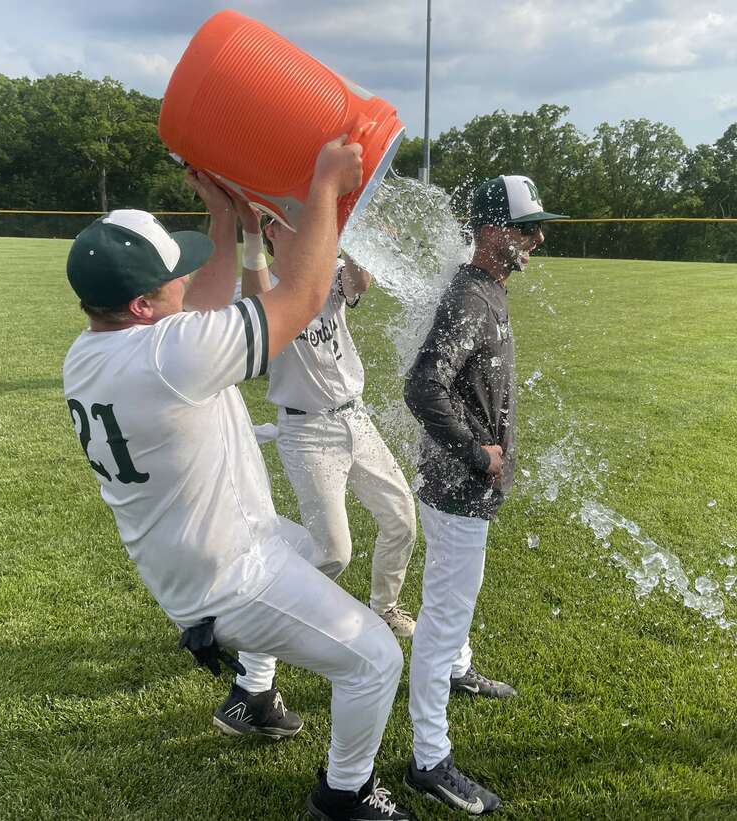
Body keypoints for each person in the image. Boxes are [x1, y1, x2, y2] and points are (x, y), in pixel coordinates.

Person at [62, 137, 413, 821]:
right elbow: (306, 293)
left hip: (205, 551)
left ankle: (251, 695)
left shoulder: (93, 350)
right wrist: (320, 188)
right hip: (229, 572)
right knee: (374, 659)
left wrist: (230, 225)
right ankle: (345, 794)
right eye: (173, 278)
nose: (187, 283)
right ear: (142, 306)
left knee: (322, 552)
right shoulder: (169, 353)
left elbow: (199, 303)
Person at [402, 175, 567, 813]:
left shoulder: (486, 289)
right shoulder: (472, 297)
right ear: (496, 231)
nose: (538, 238)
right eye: (528, 228)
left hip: (461, 487)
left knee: (454, 608)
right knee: (441, 620)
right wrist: (479, 453)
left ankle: (456, 668)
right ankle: (428, 759)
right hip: (457, 486)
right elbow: (423, 386)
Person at [236, 212, 417, 638]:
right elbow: (259, 313)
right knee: (333, 552)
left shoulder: (326, 273)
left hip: (355, 417)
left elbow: (359, 284)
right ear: (272, 231)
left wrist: (353, 236)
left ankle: (385, 608)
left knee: (401, 518)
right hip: (308, 433)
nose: (308, 231)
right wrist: (247, 233)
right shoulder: (260, 284)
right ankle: (266, 614)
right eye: (292, 222)